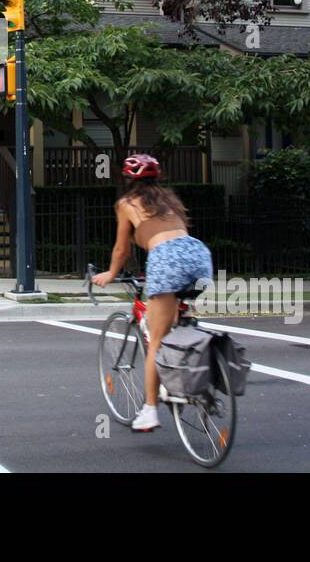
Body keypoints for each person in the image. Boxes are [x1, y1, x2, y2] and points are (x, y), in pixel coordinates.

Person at [93, 153, 213, 432]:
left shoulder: (126, 204)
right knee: (175, 322)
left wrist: (110, 273)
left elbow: (122, 249)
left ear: (127, 179)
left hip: (166, 259)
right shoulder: (170, 202)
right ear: (157, 178)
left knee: (156, 340)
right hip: (198, 255)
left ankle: (149, 411)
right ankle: (183, 369)